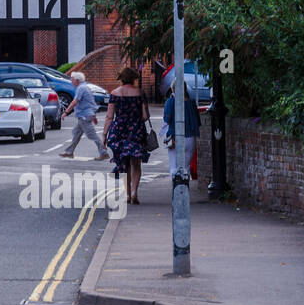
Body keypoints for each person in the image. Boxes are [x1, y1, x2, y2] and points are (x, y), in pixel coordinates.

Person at [102, 66, 151, 205]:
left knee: (124, 163)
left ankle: (128, 195)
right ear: (134, 78)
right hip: (136, 130)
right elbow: (145, 116)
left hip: (119, 131)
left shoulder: (115, 93)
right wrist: (136, 120)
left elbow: (109, 117)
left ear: (121, 78)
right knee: (136, 163)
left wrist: (104, 134)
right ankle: (135, 192)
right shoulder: (140, 93)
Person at [59, 72, 108, 160]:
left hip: (84, 116)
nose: (71, 81)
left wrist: (65, 112)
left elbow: (75, 102)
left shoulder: (81, 88)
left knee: (92, 135)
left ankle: (103, 152)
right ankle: (69, 152)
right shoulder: (85, 87)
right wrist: (94, 116)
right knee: (76, 133)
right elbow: (90, 102)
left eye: (72, 79)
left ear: (77, 80)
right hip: (86, 115)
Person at [163, 81, 200, 179]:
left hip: (174, 138)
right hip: (190, 139)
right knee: (186, 168)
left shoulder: (170, 102)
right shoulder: (191, 103)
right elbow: (197, 122)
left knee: (174, 167)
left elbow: (166, 120)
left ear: (173, 89)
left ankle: (176, 191)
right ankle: (185, 190)